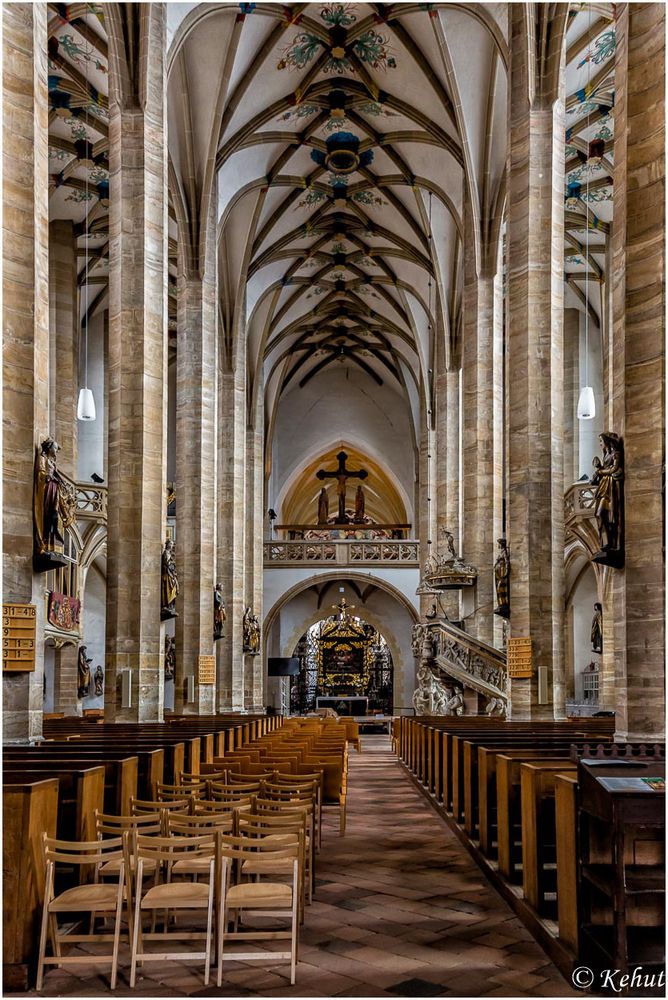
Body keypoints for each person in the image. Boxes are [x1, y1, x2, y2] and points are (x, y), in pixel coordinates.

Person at [161, 538, 179, 619]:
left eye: (172, 544)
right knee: (168, 590)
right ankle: (166, 605)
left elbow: (172, 564)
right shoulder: (166, 553)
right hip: (168, 574)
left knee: (174, 590)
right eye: (170, 544)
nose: (171, 546)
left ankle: (171, 606)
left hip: (172, 575)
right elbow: (167, 563)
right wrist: (171, 562)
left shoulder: (170, 554)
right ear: (167, 544)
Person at [494, 538, 510, 618]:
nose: (498, 545)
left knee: (501, 588)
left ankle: (503, 604)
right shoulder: (501, 552)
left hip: (502, 572)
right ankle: (501, 603)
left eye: (499, 543)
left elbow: (506, 562)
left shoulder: (504, 552)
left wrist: (506, 572)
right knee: (498, 589)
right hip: (498, 573)